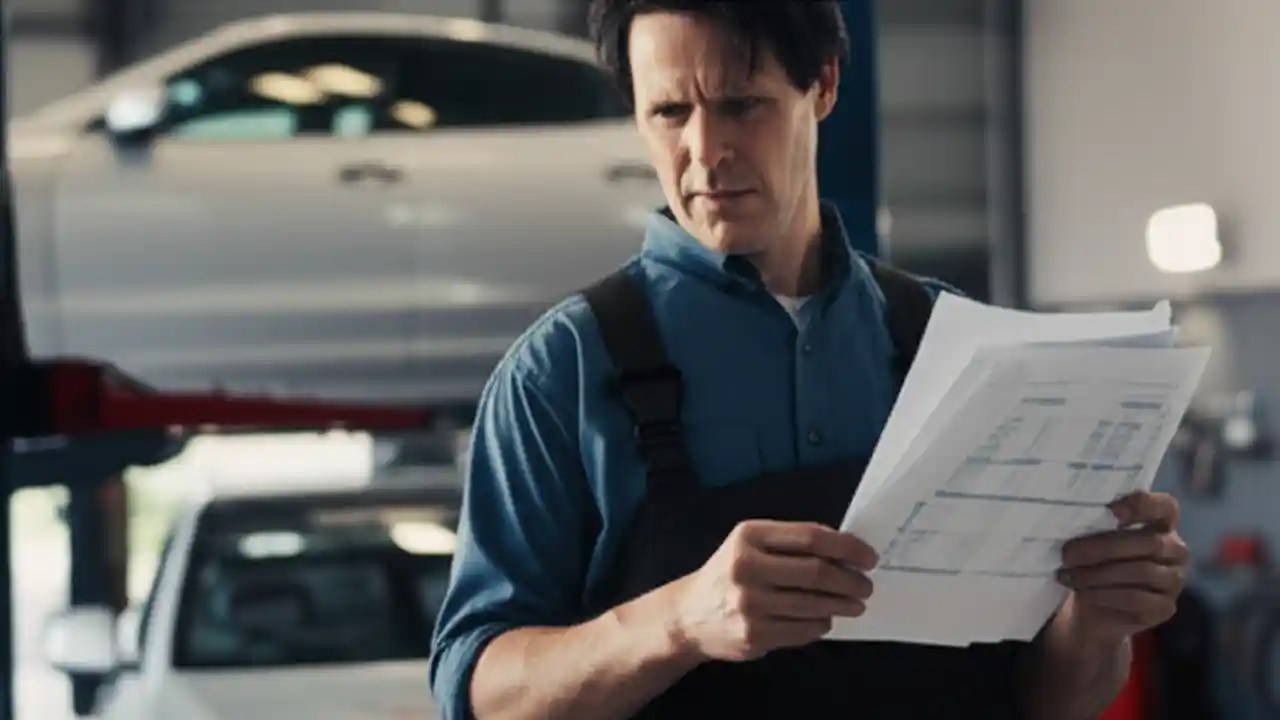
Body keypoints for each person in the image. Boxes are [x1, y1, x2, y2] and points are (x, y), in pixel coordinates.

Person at [429, 2, 1191, 718]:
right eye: (670, 112)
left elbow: (1045, 698)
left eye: (741, 104)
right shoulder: (561, 373)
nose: (706, 151)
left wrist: (1097, 622)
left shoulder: (955, 347)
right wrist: (678, 621)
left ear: (822, 85)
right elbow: (480, 693)